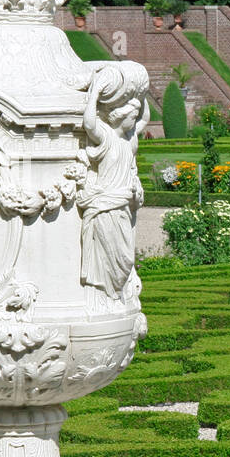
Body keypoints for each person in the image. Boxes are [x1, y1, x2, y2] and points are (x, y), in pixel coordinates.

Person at [77, 61, 150, 312]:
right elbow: (89, 125)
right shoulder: (107, 137)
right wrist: (95, 92)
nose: (134, 121)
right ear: (122, 118)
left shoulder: (129, 141)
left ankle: (114, 293)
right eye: (131, 117)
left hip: (120, 205)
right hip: (106, 204)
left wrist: (141, 94)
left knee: (126, 257)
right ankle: (106, 295)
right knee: (112, 255)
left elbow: (145, 120)